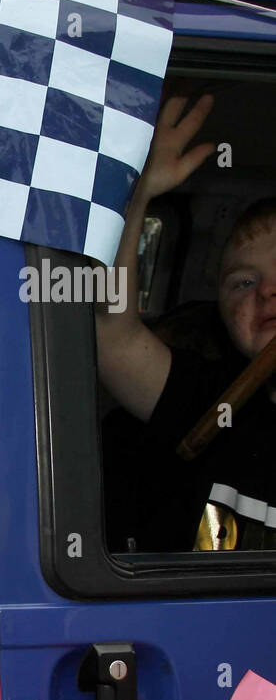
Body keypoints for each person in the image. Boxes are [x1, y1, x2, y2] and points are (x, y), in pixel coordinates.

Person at [99, 92, 276, 550]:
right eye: (242, 283)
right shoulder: (213, 403)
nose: (267, 291)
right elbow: (112, 335)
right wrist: (137, 195)